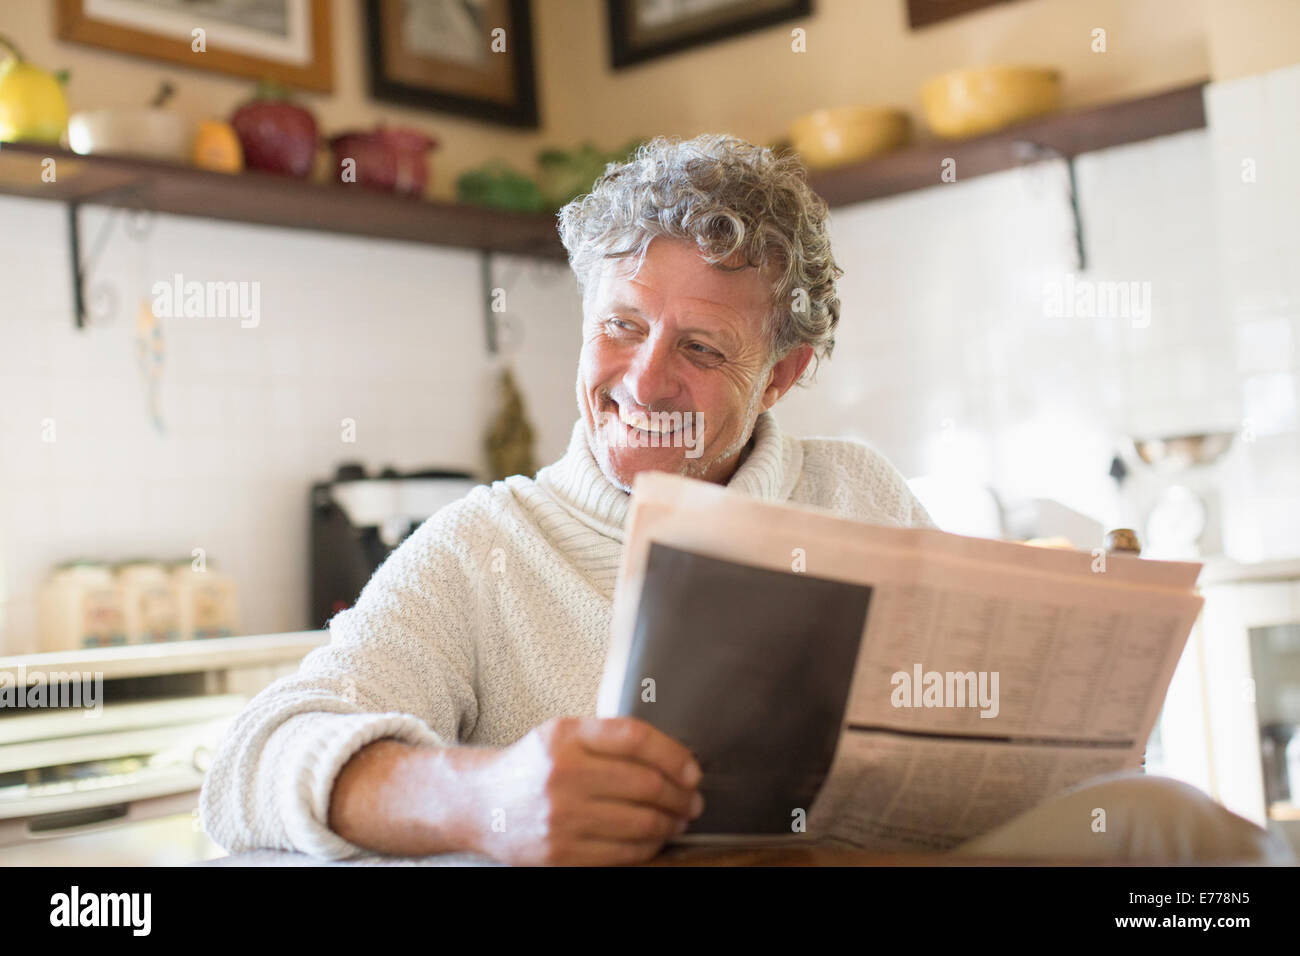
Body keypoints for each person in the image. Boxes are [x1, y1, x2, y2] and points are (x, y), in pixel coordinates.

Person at [199, 134, 1291, 866]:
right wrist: (486, 797)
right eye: (621, 324)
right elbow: (252, 759)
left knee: (1172, 823)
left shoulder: (853, 486)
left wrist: (1066, 708)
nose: (642, 381)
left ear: (782, 372)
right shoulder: (485, 544)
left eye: (703, 347)